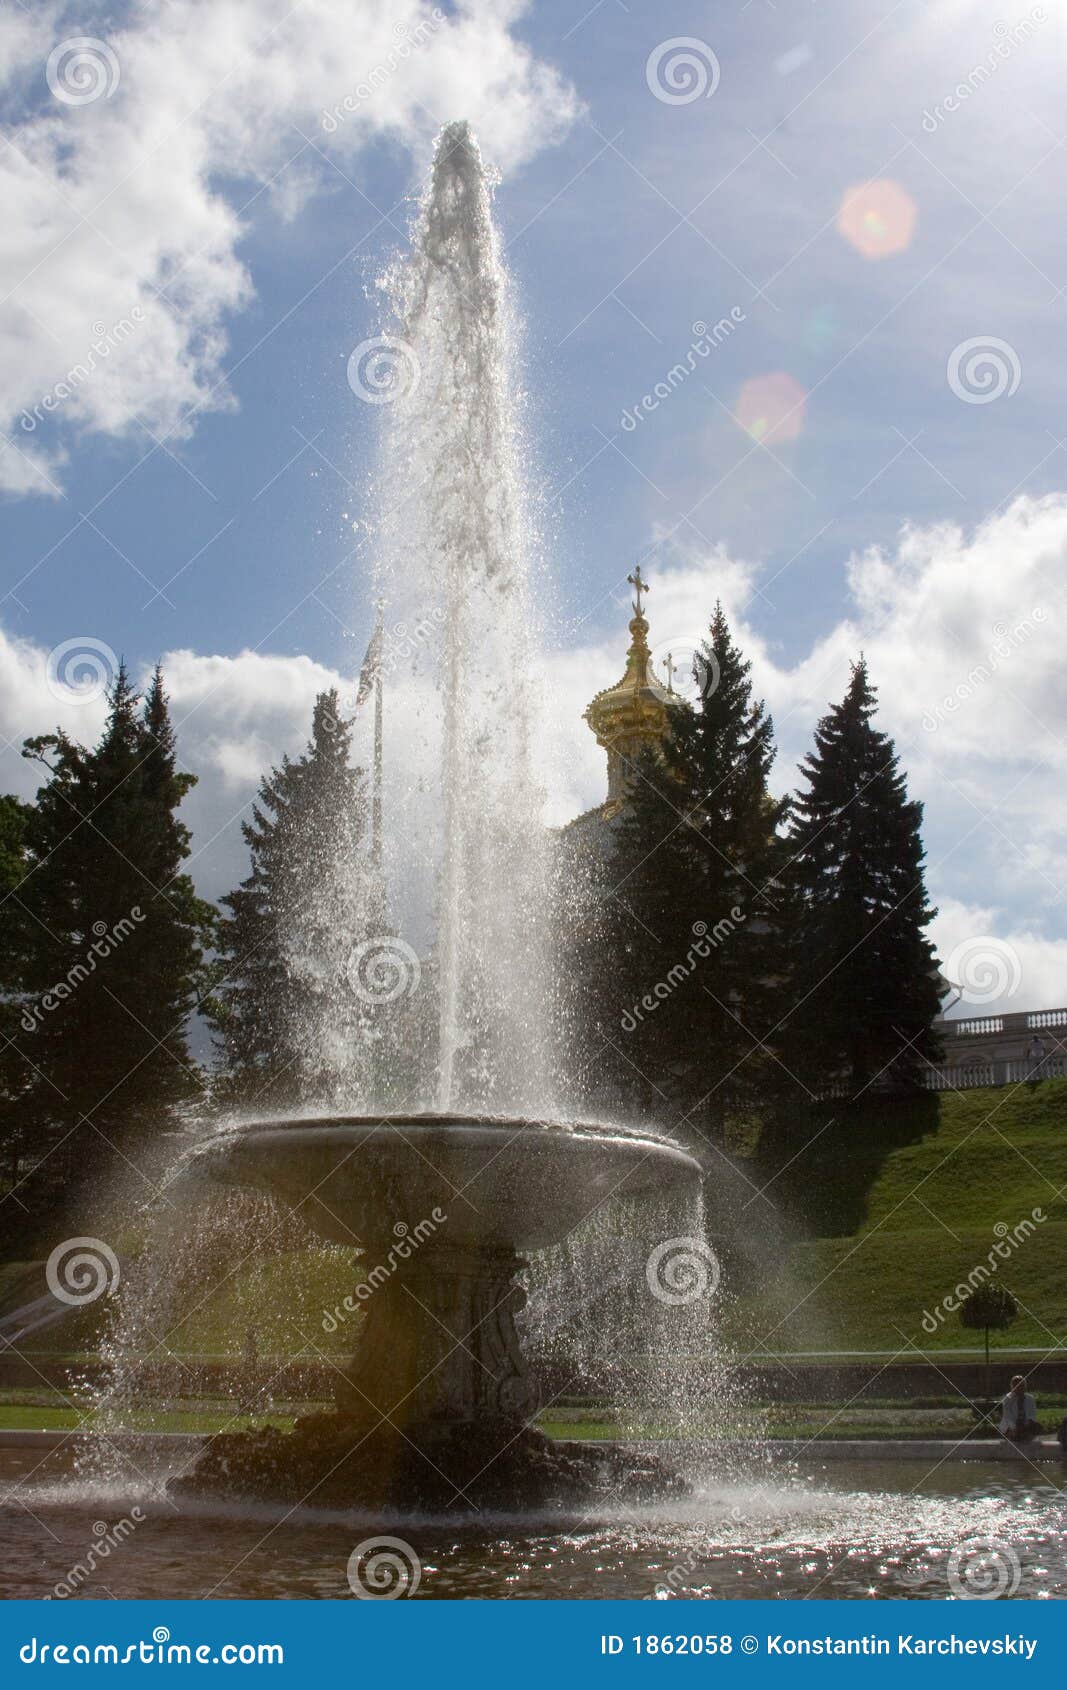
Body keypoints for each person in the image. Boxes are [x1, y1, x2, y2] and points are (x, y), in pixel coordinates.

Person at [999, 1374, 1040, 1442]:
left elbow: (1032, 1414)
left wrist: (1027, 1423)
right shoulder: (1007, 1399)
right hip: (1011, 1425)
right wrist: (1015, 1427)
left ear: (1025, 1386)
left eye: (1022, 1386)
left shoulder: (1030, 1399)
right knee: (1010, 1428)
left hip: (1025, 1424)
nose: (1019, 1388)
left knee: (1036, 1426)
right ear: (1012, 1387)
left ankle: (1024, 1435)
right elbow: (1007, 1416)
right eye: (1016, 1386)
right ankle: (1016, 1435)